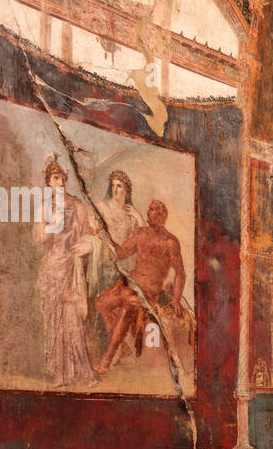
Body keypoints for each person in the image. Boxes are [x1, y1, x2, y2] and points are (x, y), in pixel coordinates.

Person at [94, 198, 187, 376]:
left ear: (164, 216)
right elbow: (121, 253)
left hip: (148, 292)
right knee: (100, 303)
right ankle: (122, 345)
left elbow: (180, 273)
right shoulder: (140, 233)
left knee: (126, 310)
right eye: (151, 210)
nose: (153, 213)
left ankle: (106, 360)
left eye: (157, 211)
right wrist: (105, 236)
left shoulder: (171, 242)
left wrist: (176, 298)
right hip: (130, 283)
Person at [33, 155, 99, 387]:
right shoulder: (44, 208)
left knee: (72, 319)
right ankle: (59, 374)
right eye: (54, 178)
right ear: (48, 182)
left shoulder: (78, 206)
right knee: (53, 321)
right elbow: (38, 238)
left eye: (61, 178)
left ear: (65, 180)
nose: (58, 182)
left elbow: (93, 233)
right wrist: (54, 223)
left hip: (71, 266)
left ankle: (82, 372)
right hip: (51, 268)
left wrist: (88, 244)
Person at [88, 170, 144, 357]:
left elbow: (142, 243)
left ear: (127, 190)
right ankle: (110, 348)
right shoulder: (102, 207)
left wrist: (139, 217)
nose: (115, 189)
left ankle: (119, 349)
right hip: (105, 263)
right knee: (103, 305)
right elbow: (93, 231)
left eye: (119, 186)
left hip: (123, 267)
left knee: (121, 308)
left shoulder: (130, 214)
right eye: (113, 185)